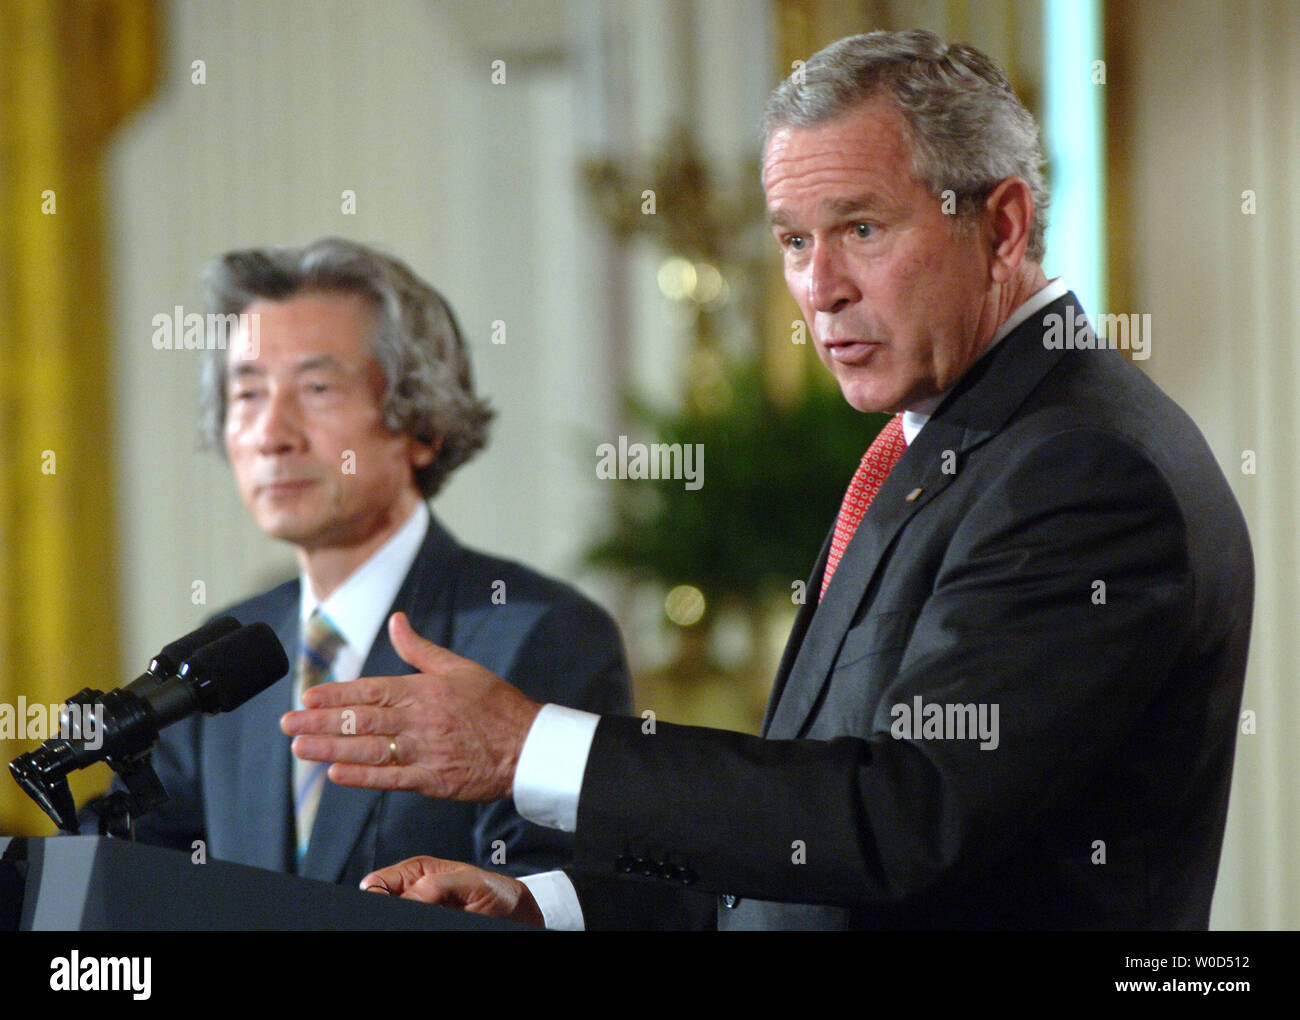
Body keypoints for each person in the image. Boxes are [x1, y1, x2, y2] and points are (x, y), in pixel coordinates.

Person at [283, 31, 1253, 929]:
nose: (819, 286)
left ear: (1000, 225)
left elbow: (901, 820)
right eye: (793, 240)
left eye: (862, 229)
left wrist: (527, 745)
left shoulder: (1079, 467)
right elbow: (805, 835)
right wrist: (548, 903)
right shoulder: (951, 439)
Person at [90, 238, 631, 888]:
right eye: (248, 394)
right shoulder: (223, 659)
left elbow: (557, 888)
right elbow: (145, 865)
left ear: (421, 424)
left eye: (317, 388)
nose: (272, 435)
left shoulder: (537, 633)